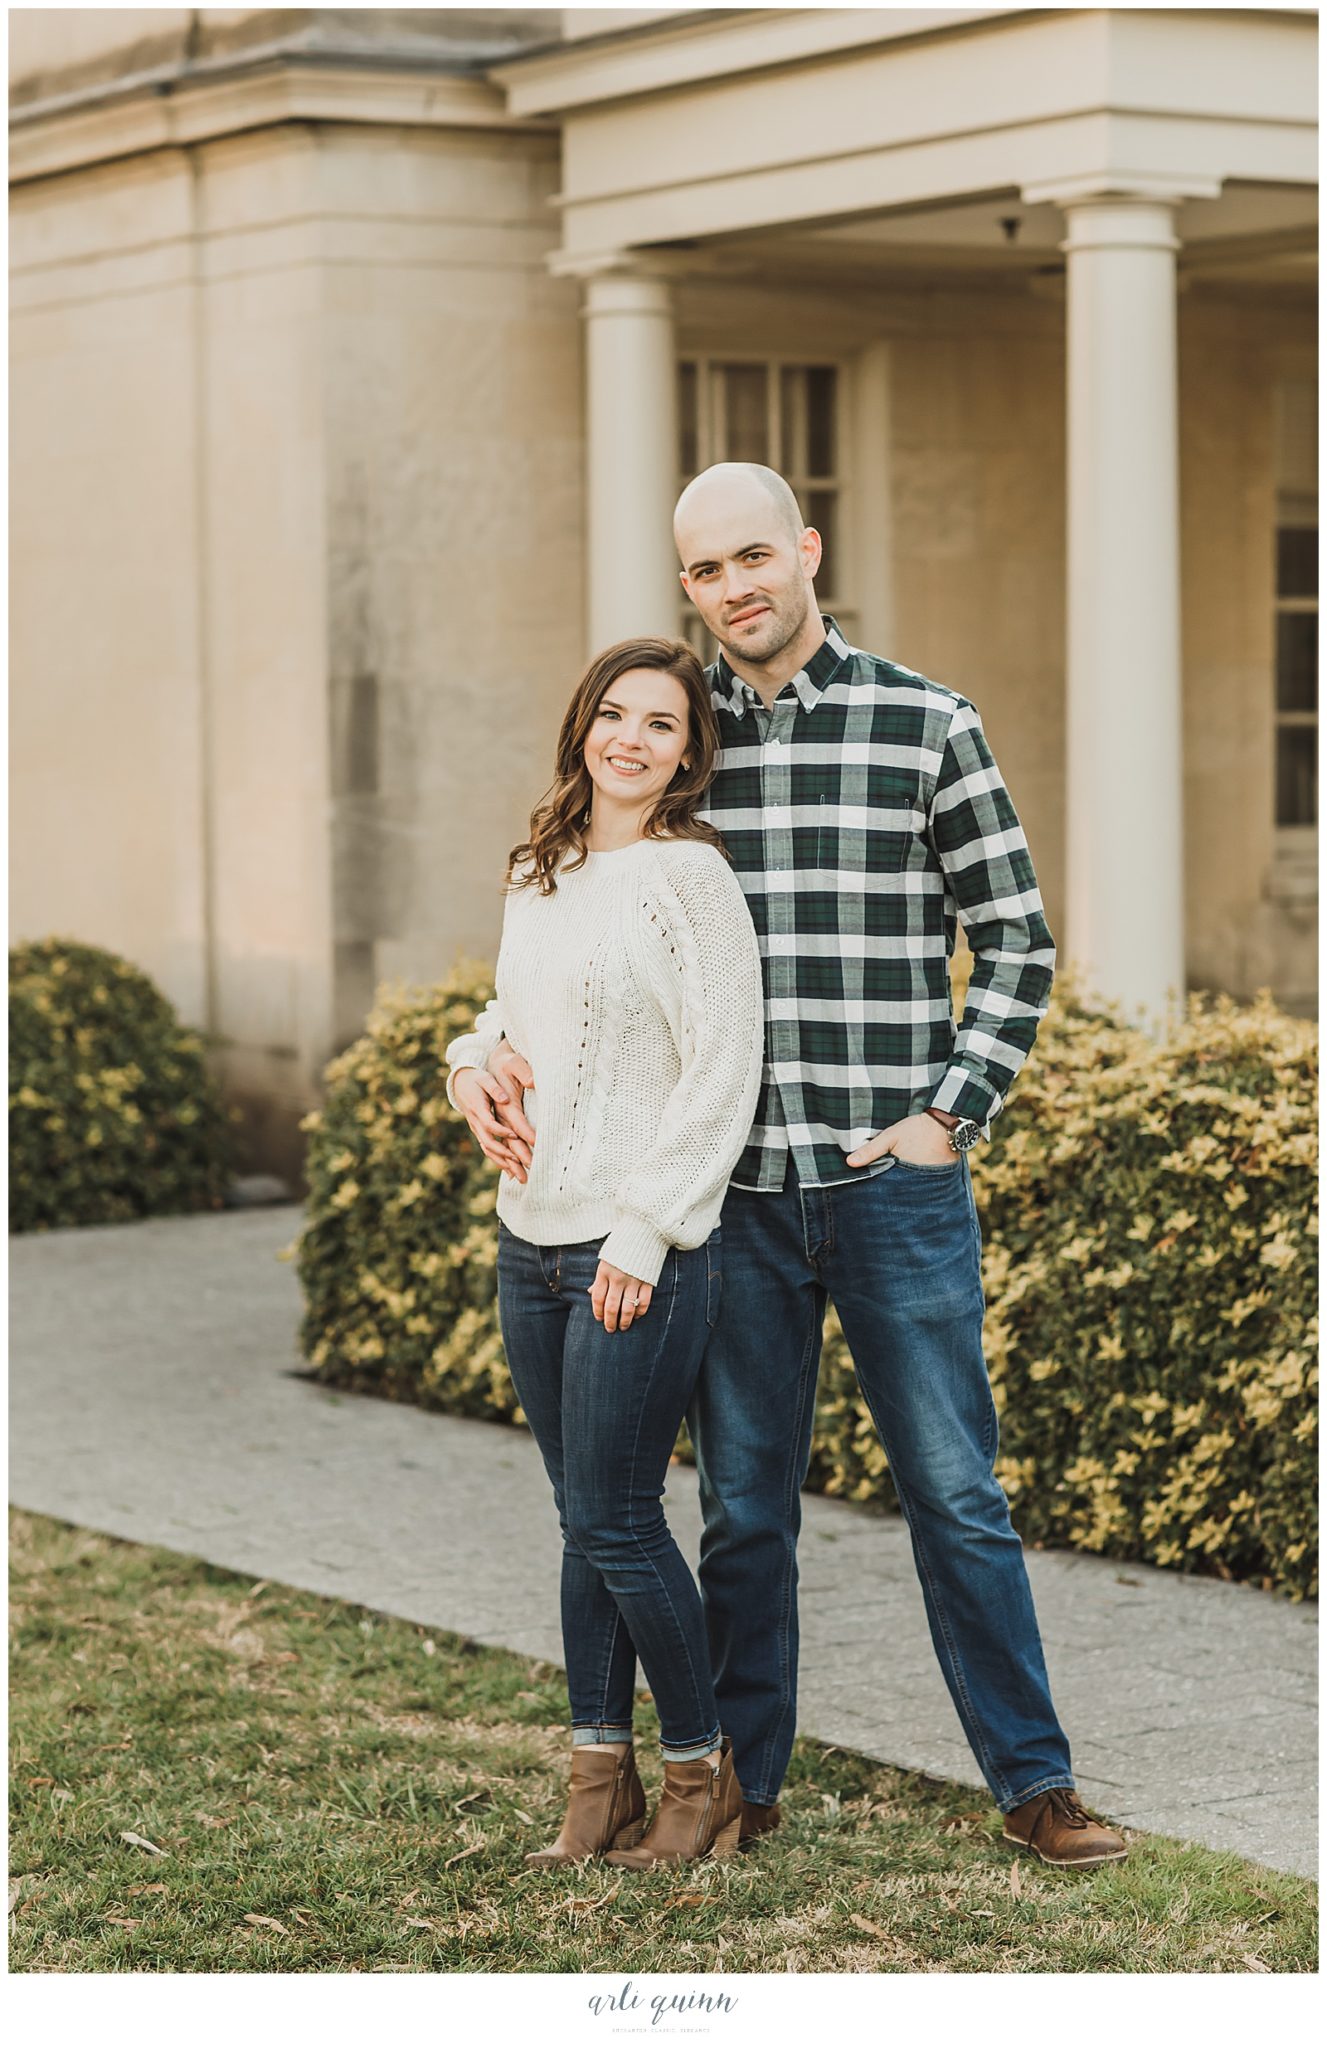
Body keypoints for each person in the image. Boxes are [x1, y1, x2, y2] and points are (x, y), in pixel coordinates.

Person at [484, 464, 1127, 1872]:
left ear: (805, 551)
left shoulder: (922, 721)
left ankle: (1032, 1782)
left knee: (954, 1492)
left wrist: (946, 1115)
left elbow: (1014, 939)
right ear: (689, 590)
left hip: (889, 1186)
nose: (735, 587)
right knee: (742, 1509)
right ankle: (743, 1785)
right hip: (729, 1208)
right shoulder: (676, 739)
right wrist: (478, 1054)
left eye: (754, 557)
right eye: (707, 571)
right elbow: (568, 939)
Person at [445, 634, 765, 1871]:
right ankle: (596, 1780)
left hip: (636, 1244)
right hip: (529, 1236)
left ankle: (702, 1774)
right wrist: (470, 1067)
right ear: (583, 723)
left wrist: (644, 1231)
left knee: (622, 1518)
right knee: (583, 1519)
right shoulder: (544, 865)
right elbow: (508, 1011)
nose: (630, 739)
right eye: (615, 715)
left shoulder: (689, 879)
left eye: (662, 725)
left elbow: (721, 1069)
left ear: (688, 754)